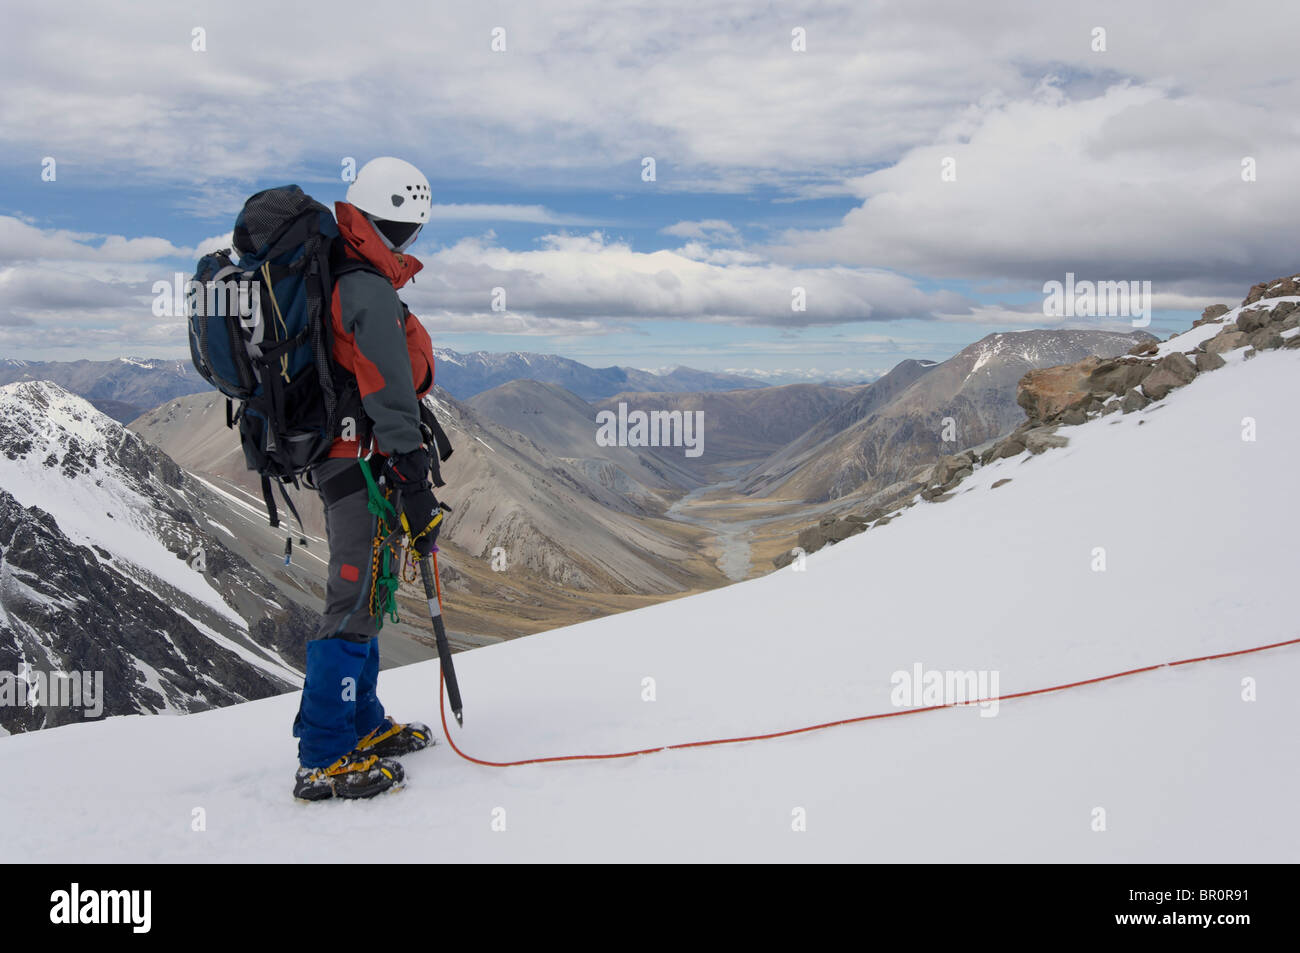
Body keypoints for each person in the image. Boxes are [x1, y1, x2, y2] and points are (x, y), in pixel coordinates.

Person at [291, 157, 445, 801]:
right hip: (357, 459)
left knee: (370, 588)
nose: (410, 243)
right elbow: (386, 384)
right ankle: (323, 752)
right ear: (392, 225)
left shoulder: (345, 271)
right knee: (352, 598)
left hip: (353, 454)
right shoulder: (364, 286)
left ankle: (360, 721)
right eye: (408, 231)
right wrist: (413, 478)